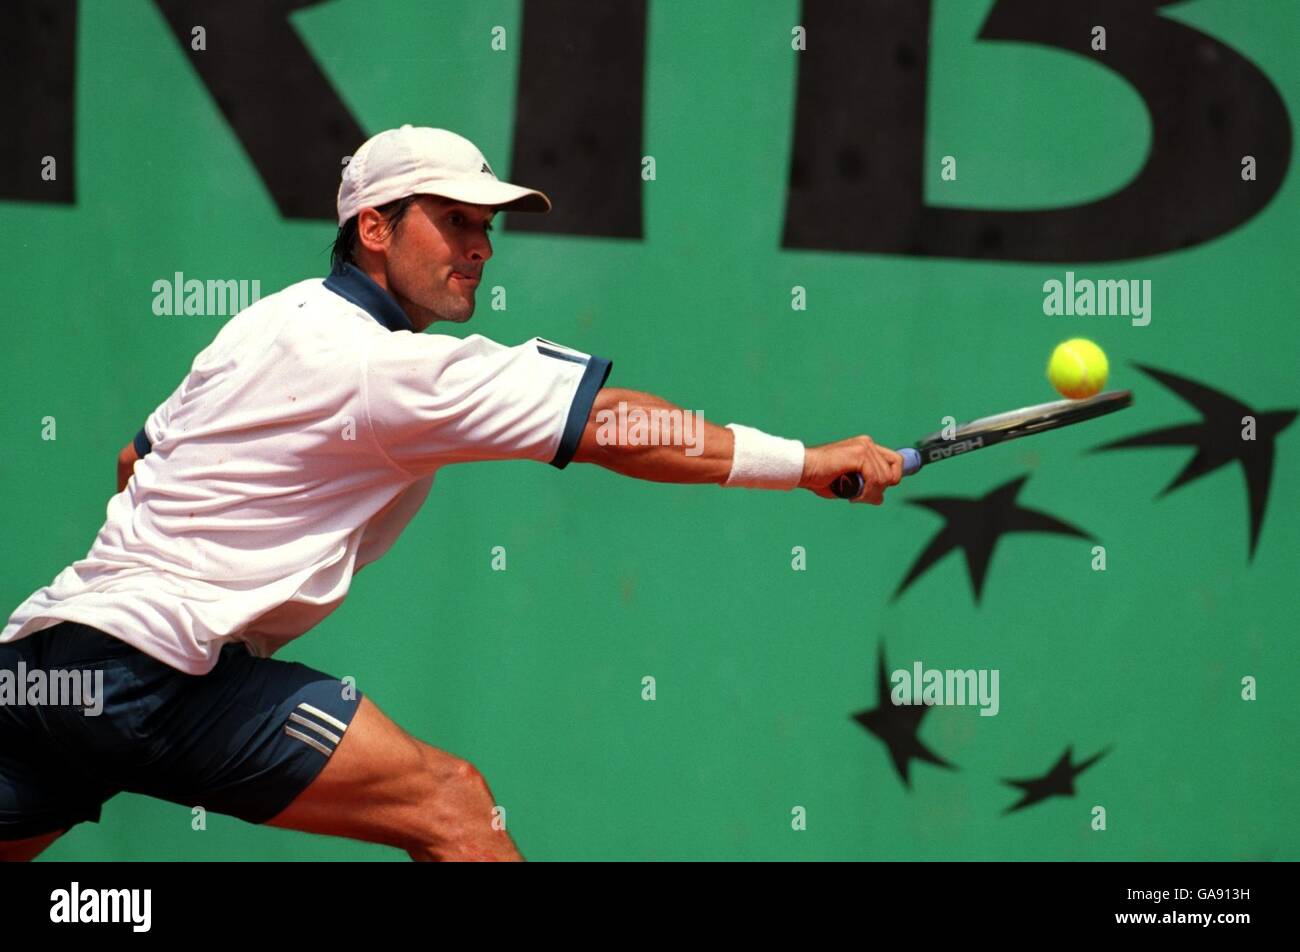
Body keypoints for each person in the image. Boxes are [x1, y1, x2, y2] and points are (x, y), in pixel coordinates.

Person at [0, 126, 902, 862]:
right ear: (374, 228)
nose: (478, 248)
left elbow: (136, 458)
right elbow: (615, 426)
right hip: (157, 677)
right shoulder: (388, 368)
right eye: (452, 221)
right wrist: (804, 460)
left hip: (47, 668)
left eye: (487, 227)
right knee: (455, 808)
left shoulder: (263, 323)